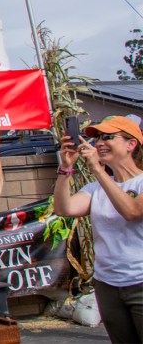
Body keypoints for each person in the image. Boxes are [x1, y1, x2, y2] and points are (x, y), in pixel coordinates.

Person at [54, 115, 143, 344]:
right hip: (108, 285)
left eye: (108, 137)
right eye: (98, 138)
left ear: (131, 144)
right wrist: (65, 169)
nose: (100, 143)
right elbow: (64, 208)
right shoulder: (96, 189)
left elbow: (132, 211)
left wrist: (98, 170)